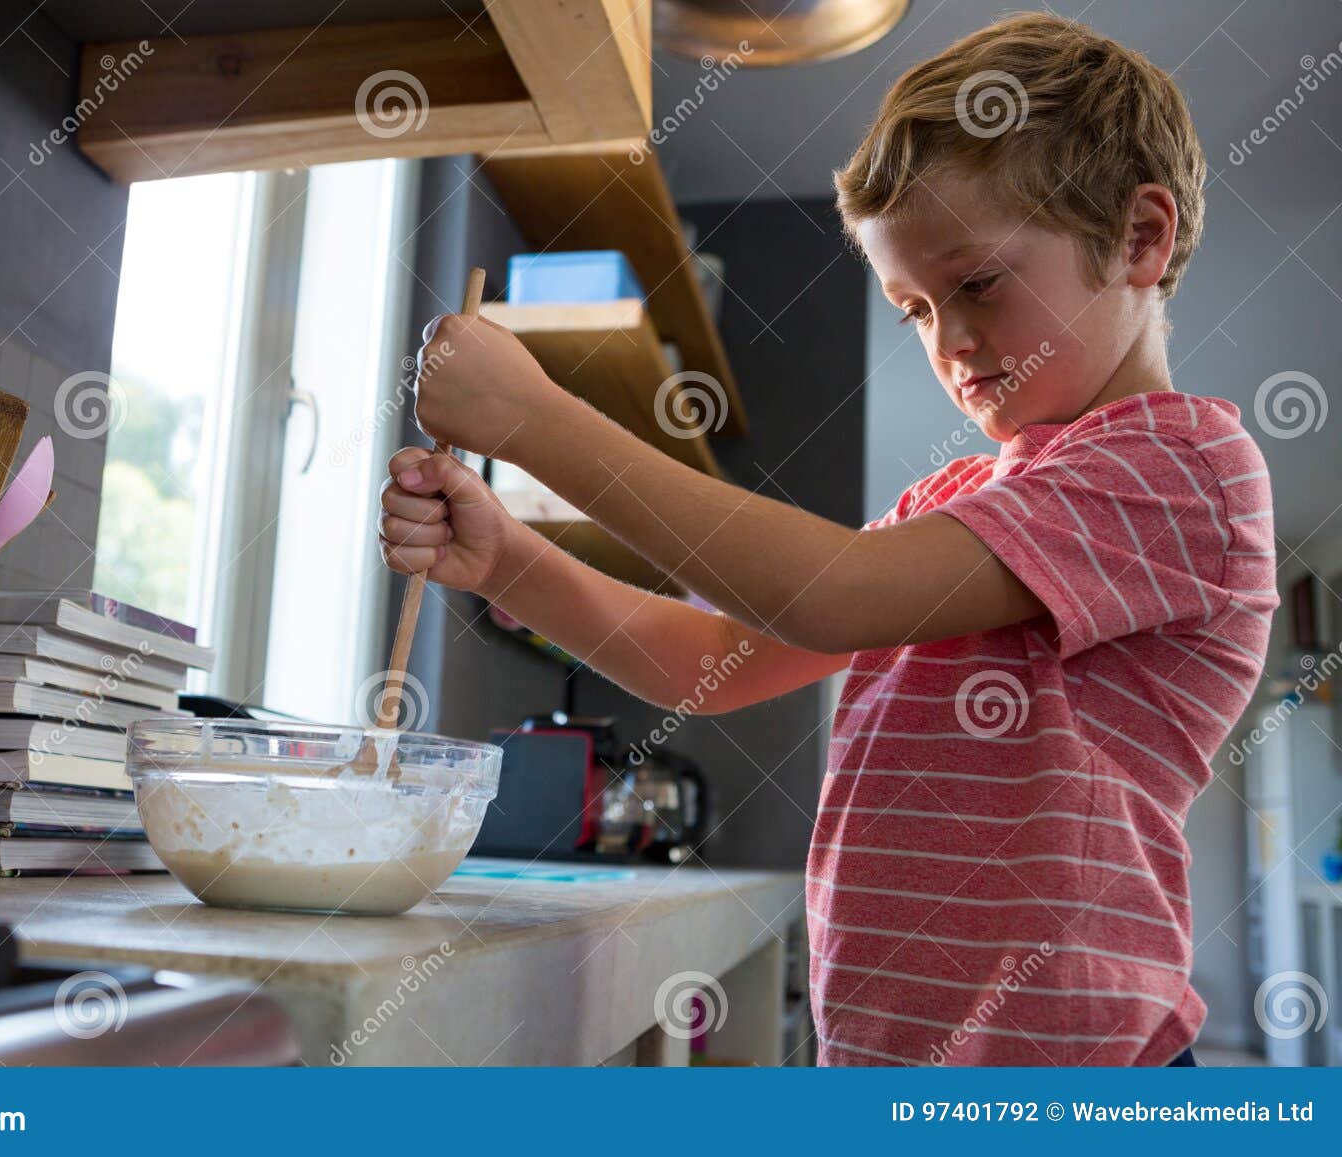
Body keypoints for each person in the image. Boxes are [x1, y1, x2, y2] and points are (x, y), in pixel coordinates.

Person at [378, 12, 1273, 1066]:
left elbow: (827, 594)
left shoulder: (1180, 467)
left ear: (1139, 238)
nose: (951, 341)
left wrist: (533, 422)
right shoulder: (958, 498)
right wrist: (514, 562)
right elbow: (711, 663)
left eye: (976, 283)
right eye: (913, 309)